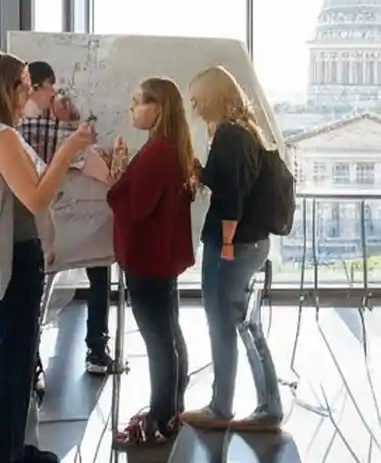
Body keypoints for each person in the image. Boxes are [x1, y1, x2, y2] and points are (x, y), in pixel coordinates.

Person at [0, 51, 94, 463]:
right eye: (23, 83)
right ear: (5, 88)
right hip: (9, 267)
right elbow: (36, 196)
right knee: (8, 374)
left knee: (16, 370)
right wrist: (68, 149)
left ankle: (16, 451)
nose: (28, 91)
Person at [181, 66, 284, 432]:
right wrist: (203, 174)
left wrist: (225, 244)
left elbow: (232, 198)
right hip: (249, 242)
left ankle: (225, 407)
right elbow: (232, 183)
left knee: (226, 325)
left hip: (234, 246)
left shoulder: (230, 135)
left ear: (213, 97)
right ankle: (263, 406)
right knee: (242, 324)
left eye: (197, 99)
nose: (194, 107)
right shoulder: (244, 131)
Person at [109, 78, 196, 447]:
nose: (131, 109)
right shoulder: (171, 147)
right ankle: (172, 410)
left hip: (147, 258)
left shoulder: (157, 151)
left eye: (137, 102)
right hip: (162, 257)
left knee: (158, 339)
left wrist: (116, 179)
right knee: (169, 333)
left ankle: (159, 419)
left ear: (158, 107)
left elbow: (135, 205)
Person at [19, 61, 116, 389]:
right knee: (86, 272)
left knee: (57, 280)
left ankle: (37, 360)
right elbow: (87, 161)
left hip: (57, 216)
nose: (55, 95)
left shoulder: (33, 124)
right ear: (38, 87)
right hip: (56, 213)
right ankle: (94, 349)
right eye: (51, 88)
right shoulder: (26, 126)